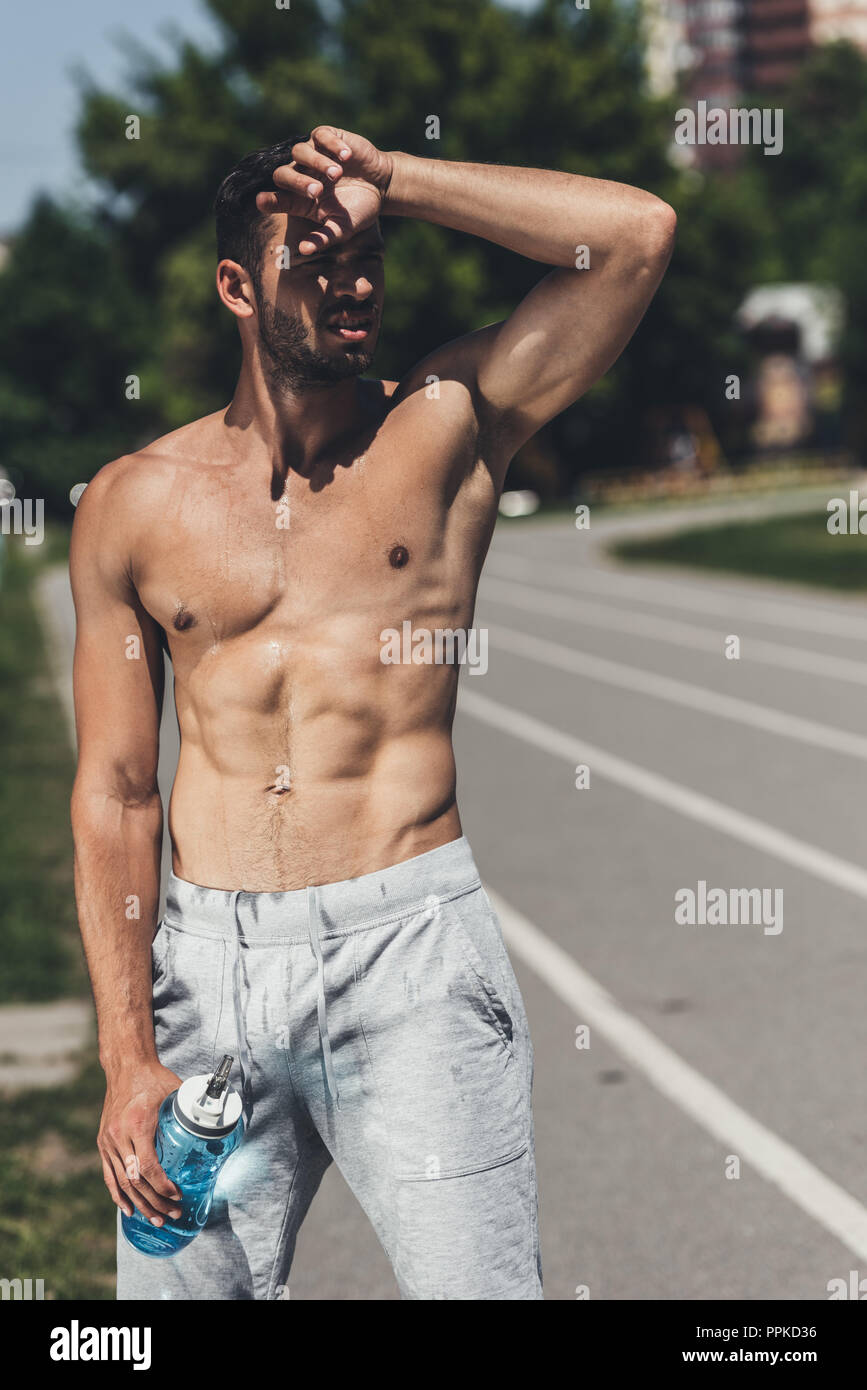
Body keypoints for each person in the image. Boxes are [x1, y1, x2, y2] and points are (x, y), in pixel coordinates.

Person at [70, 126, 676, 1300]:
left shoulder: (446, 428)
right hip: (208, 974)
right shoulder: (133, 502)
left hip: (412, 960)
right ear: (239, 286)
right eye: (317, 257)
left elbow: (635, 237)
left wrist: (398, 179)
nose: (352, 283)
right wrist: (126, 1054)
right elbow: (117, 789)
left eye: (367, 255)